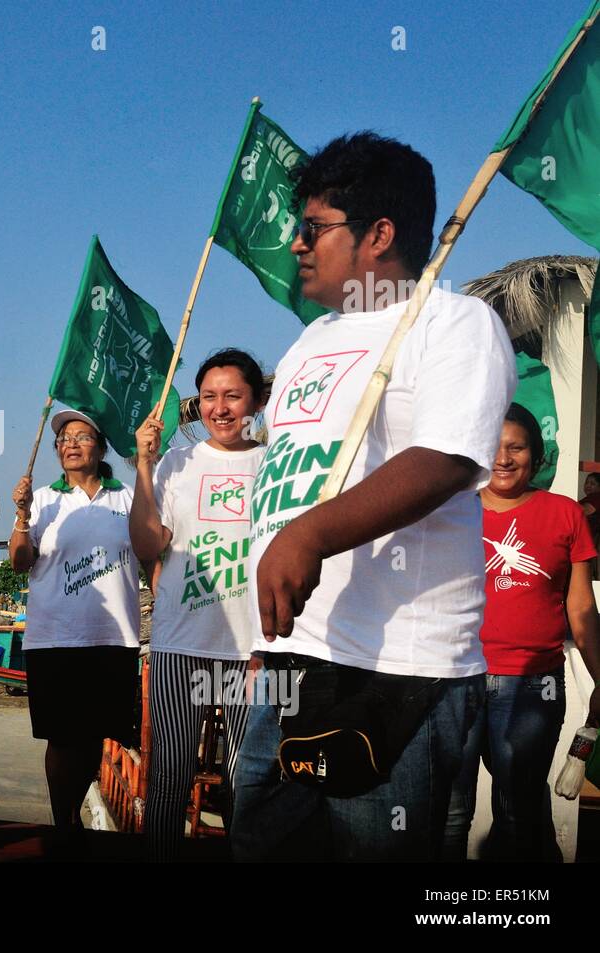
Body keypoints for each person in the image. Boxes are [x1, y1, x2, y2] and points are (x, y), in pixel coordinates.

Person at [230, 132, 517, 861]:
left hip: (395, 674)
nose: (296, 244)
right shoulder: (306, 344)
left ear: (379, 234)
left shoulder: (455, 323)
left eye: (314, 228)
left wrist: (310, 535)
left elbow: (448, 457)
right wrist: (268, 644)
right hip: (290, 663)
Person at [444, 405, 600, 860]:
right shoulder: (452, 513)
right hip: (455, 682)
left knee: (520, 813)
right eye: (493, 447)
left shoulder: (565, 514)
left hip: (533, 685)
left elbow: (581, 606)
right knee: (450, 813)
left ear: (536, 455)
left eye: (517, 447)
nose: (504, 458)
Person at [130, 349, 266, 861]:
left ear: (256, 400)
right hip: (178, 641)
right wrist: (144, 465)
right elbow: (147, 544)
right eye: (209, 397)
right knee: (170, 775)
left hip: (249, 649)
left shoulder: (274, 463)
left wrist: (268, 642)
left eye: (233, 396)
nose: (221, 408)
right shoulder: (176, 462)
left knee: (246, 780)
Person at [10, 410, 141, 853]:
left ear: (101, 448)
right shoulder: (44, 498)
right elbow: (19, 561)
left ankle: (68, 822)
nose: (70, 444)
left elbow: (154, 549)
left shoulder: (126, 498)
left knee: (97, 733)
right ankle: (63, 822)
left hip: (113, 635)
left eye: (82, 437)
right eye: (63, 439)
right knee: (62, 737)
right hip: (54, 637)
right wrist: (22, 516)